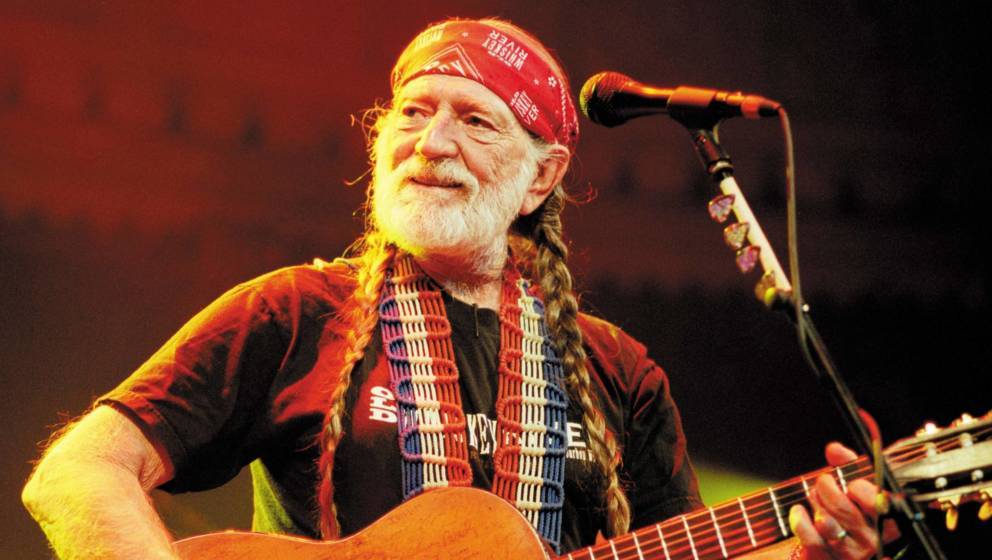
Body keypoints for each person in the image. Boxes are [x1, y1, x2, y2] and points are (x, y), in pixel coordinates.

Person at [22, 17, 887, 560]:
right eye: (413, 110)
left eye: (474, 120)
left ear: (542, 176)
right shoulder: (294, 311)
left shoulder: (619, 371)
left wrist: (812, 550)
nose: (430, 142)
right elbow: (76, 473)